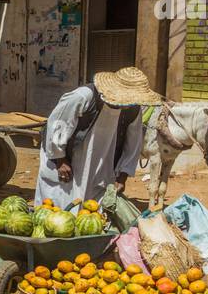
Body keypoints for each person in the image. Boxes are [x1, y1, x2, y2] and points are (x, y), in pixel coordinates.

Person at [36, 67, 158, 210]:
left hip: (102, 166)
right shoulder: (83, 97)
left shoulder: (132, 110)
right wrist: (60, 159)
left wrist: (122, 176)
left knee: (90, 211)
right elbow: (57, 123)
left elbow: (133, 144)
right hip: (68, 158)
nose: (127, 105)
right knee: (58, 205)